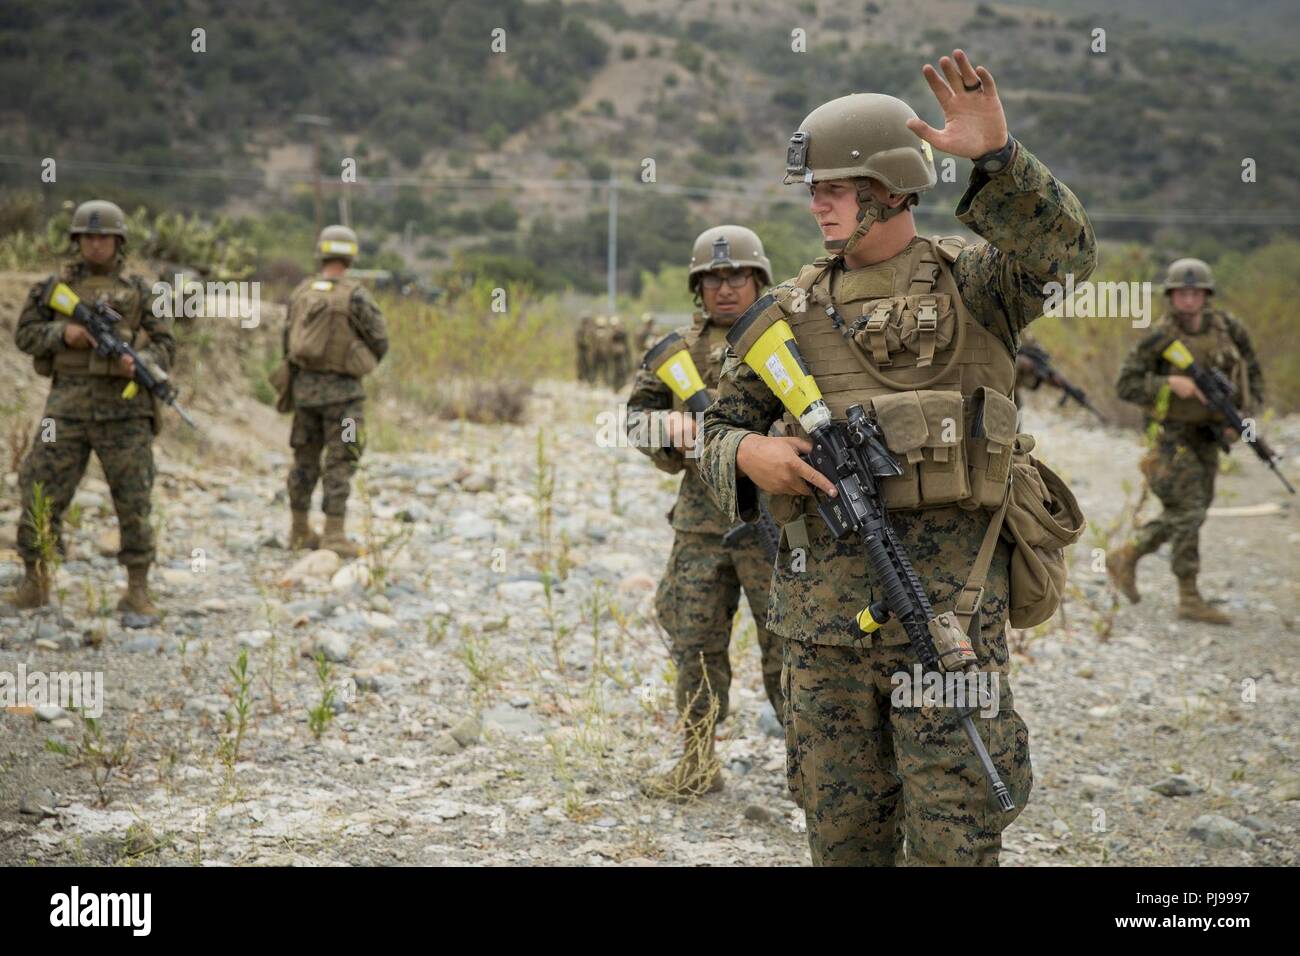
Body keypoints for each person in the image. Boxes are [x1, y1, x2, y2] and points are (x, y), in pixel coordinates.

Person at [698, 51, 1095, 864]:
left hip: (947, 617)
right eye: (813, 192)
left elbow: (1068, 260)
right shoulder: (785, 314)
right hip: (821, 628)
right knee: (842, 837)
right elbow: (714, 431)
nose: (819, 207)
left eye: (835, 190)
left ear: (890, 189)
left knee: (957, 833)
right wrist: (752, 455)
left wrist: (997, 161)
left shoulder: (976, 285)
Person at [626, 225, 782, 800]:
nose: (725, 286)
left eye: (737, 274)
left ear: (758, 278)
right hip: (700, 523)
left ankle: (811, 772)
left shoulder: (790, 339)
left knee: (788, 648)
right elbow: (634, 419)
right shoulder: (677, 355)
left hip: (776, 523)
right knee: (694, 643)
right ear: (698, 286)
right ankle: (696, 760)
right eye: (713, 277)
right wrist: (663, 429)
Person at [12, 200, 176, 623]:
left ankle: (137, 589)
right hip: (67, 408)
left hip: (125, 412)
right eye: (88, 236)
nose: (96, 243)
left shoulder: (141, 290)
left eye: (103, 237)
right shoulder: (54, 288)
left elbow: (165, 345)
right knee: (39, 485)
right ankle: (35, 580)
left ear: (119, 241)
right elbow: (26, 334)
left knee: (134, 497)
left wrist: (141, 361)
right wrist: (63, 333)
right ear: (77, 241)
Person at [1109, 257, 1263, 625]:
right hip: (1169, 438)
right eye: (1182, 293)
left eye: (1195, 293)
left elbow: (1252, 373)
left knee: (1191, 511)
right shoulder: (1159, 339)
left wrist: (1242, 419)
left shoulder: (1229, 329)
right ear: (1171, 296)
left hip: (1210, 436)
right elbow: (1125, 385)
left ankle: (1127, 555)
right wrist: (1168, 385)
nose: (1189, 300)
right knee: (1189, 511)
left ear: (1206, 294)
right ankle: (1189, 597)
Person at [283, 225, 388, 557]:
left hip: (305, 396)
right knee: (341, 459)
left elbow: (287, 341)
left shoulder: (302, 292)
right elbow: (381, 341)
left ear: (322, 253)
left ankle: (299, 530)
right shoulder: (356, 296)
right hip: (343, 400)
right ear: (351, 256)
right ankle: (333, 534)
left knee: (304, 460)